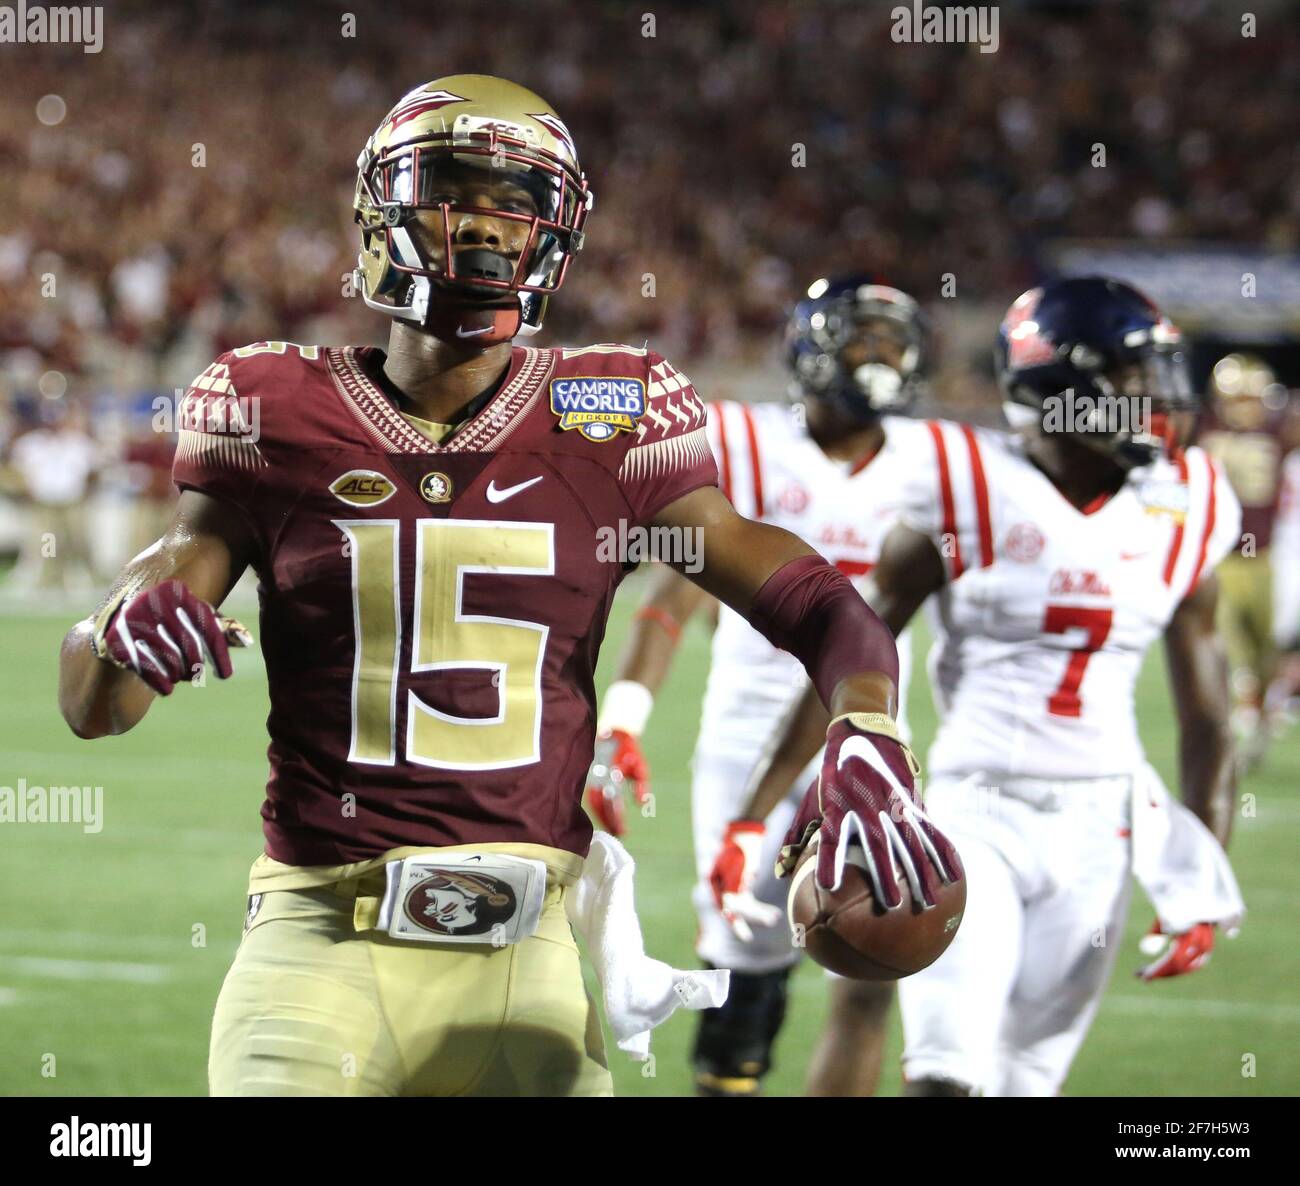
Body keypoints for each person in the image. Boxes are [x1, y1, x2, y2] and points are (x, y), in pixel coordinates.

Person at [57, 75, 957, 1097]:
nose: (486, 223)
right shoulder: (272, 407)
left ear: (553, 235)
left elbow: (822, 606)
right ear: (382, 207)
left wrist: (871, 731)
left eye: (517, 202)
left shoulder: (613, 414)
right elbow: (97, 705)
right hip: (316, 946)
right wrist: (114, 634)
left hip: (527, 960)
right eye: (453, 186)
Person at [721, 276, 1246, 1096]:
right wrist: (760, 810)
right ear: (1060, 384)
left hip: (1102, 826)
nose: (1160, 401)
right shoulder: (964, 485)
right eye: (1135, 378)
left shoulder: (1189, 499)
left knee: (1023, 1085)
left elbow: (1208, 715)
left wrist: (1203, 871)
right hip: (972, 814)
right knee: (943, 1074)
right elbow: (851, 652)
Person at [585, 276, 929, 1096]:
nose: (879, 357)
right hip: (745, 743)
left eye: (893, 341)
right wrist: (624, 720)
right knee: (747, 977)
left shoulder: (935, 462)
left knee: (876, 962)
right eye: (860, 338)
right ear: (811, 346)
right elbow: (671, 597)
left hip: (865, 740)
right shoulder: (741, 441)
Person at [1196, 353, 1300, 767]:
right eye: (1237, 399)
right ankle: (1240, 714)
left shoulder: (1280, 429)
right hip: (1219, 556)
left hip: (1266, 556)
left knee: (1266, 646)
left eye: (1251, 399)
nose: (1245, 408)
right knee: (1228, 640)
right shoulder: (1202, 427)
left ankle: (1262, 705)